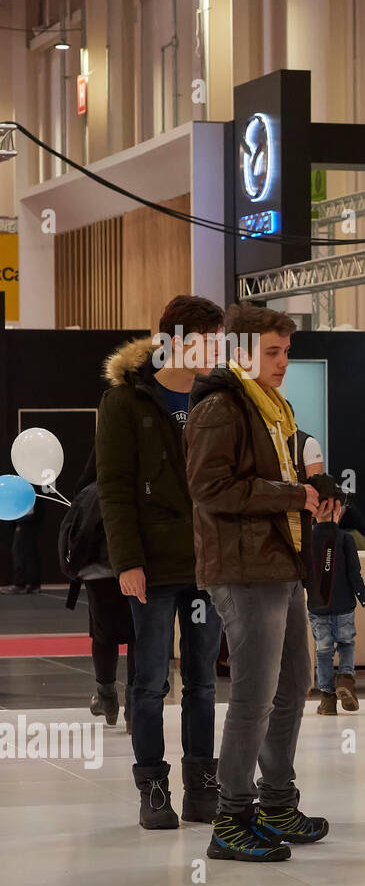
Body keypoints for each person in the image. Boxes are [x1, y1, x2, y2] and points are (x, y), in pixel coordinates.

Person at [186, 301, 327, 862]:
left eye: (286, 352)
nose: (283, 362)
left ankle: (274, 802)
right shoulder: (222, 407)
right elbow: (210, 489)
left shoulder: (273, 409)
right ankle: (232, 818)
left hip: (279, 563)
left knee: (293, 685)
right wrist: (294, 495)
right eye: (272, 352)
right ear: (240, 353)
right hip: (244, 570)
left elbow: (270, 479)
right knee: (254, 694)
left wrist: (311, 498)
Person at [97, 296, 225, 829]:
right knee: (149, 682)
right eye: (209, 338)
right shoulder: (126, 402)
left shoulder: (218, 398)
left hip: (209, 565)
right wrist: (127, 560)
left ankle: (201, 786)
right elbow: (114, 490)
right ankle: (153, 787)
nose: (219, 349)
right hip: (151, 567)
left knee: (203, 681)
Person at [65, 450, 135, 731]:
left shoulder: (99, 460)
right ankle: (136, 707)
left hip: (99, 571)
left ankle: (107, 698)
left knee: (103, 635)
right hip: (138, 564)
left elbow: (80, 491)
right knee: (138, 635)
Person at [306, 472, 365, 715]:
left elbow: (302, 576)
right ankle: (346, 680)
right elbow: (354, 575)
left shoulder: (306, 539)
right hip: (345, 605)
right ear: (337, 507)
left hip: (317, 607)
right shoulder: (345, 539)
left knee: (323, 652)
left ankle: (327, 699)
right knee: (347, 643)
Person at [2, 499, 42, 594]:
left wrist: (18, 520)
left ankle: (20, 584)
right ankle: (32, 584)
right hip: (27, 523)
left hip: (26, 524)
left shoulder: (28, 492)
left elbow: (30, 512)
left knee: (19, 553)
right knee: (29, 555)